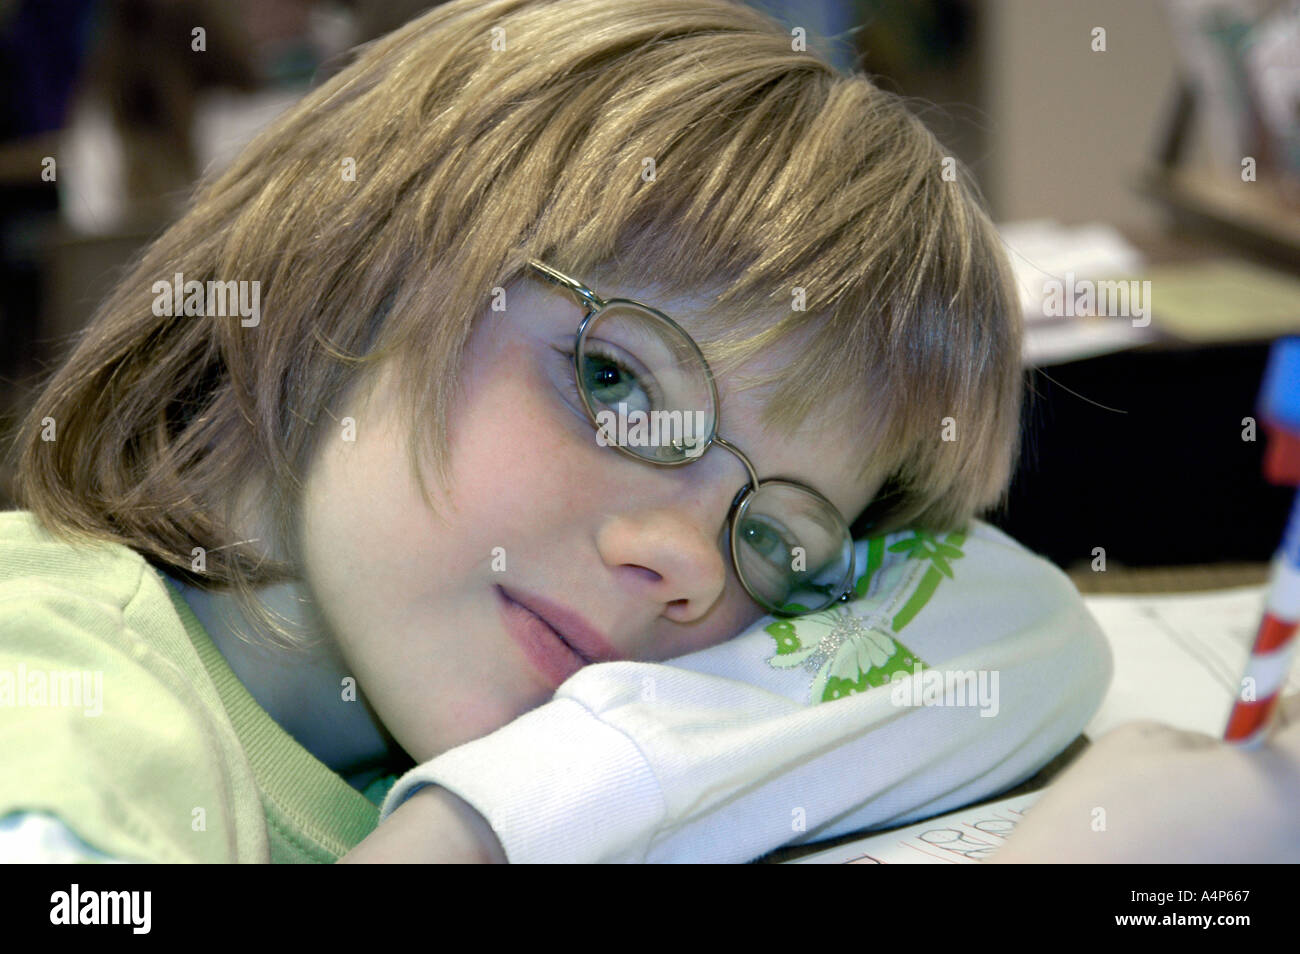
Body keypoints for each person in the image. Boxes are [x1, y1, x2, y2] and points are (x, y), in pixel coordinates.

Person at [0, 0, 1112, 864]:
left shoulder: (433, 715)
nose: (688, 563)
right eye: (615, 381)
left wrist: (485, 819)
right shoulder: (58, 713)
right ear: (357, 264)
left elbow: (1023, 622)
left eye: (770, 539)